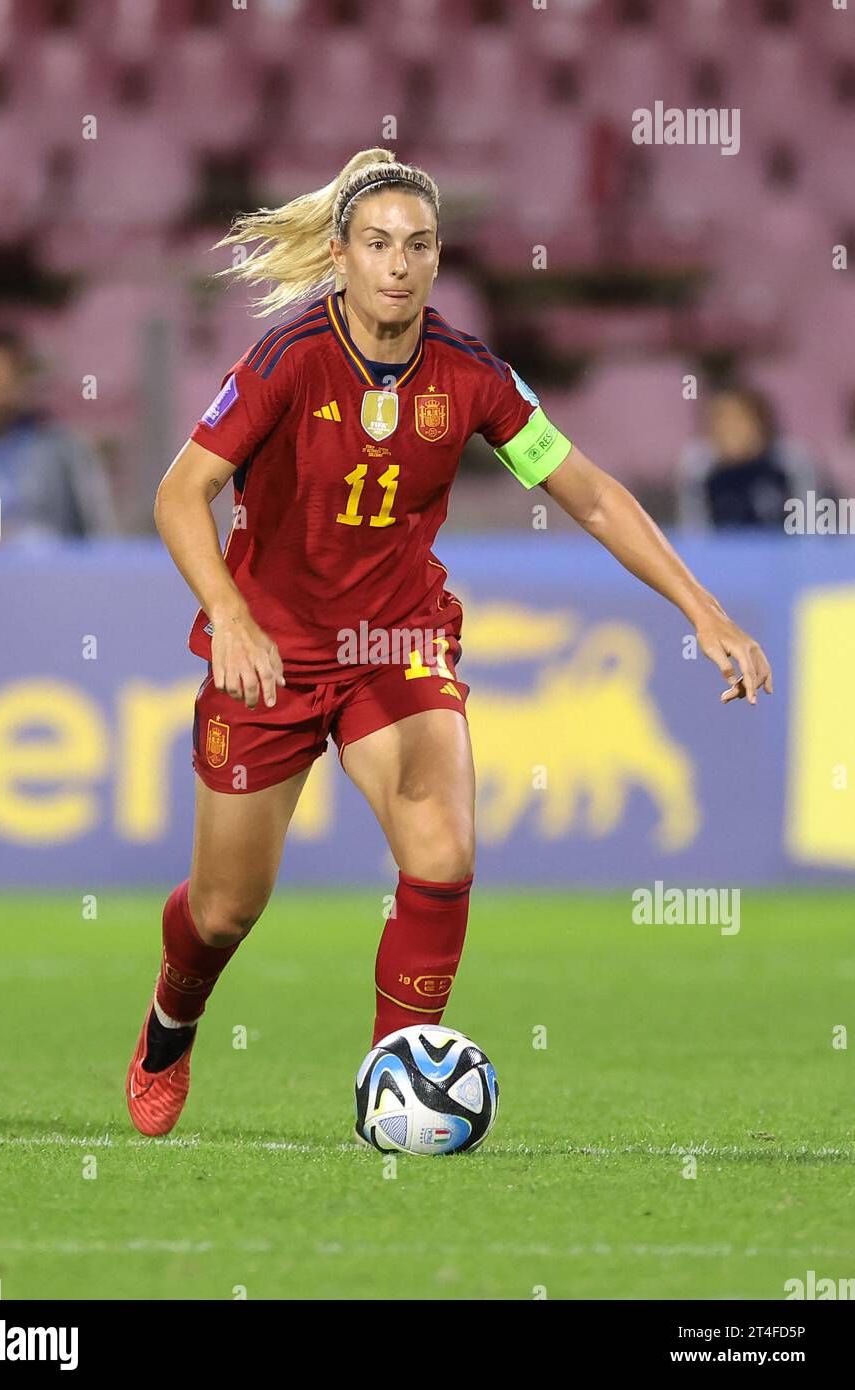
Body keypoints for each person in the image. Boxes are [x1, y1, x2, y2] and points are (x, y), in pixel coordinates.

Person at [126, 148, 773, 1138]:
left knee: (441, 847)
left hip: (397, 642)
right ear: (340, 254)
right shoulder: (287, 359)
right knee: (223, 909)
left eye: (417, 246)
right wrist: (234, 614)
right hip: (271, 651)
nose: (397, 264)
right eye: (377, 244)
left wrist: (702, 606)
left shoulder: (470, 377)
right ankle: (171, 1023)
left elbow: (588, 492)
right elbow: (180, 493)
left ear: (438, 259)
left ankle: (402, 1088)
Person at [0, 328, 117, 544]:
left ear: (23, 381)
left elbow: (99, 534)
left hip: (47, 574)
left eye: (5, 380)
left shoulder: (66, 452)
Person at [676, 385, 821, 530]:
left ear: (761, 423)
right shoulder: (698, 470)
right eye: (720, 423)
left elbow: (811, 533)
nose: (730, 430)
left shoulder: (791, 463)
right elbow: (695, 536)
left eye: (739, 420)